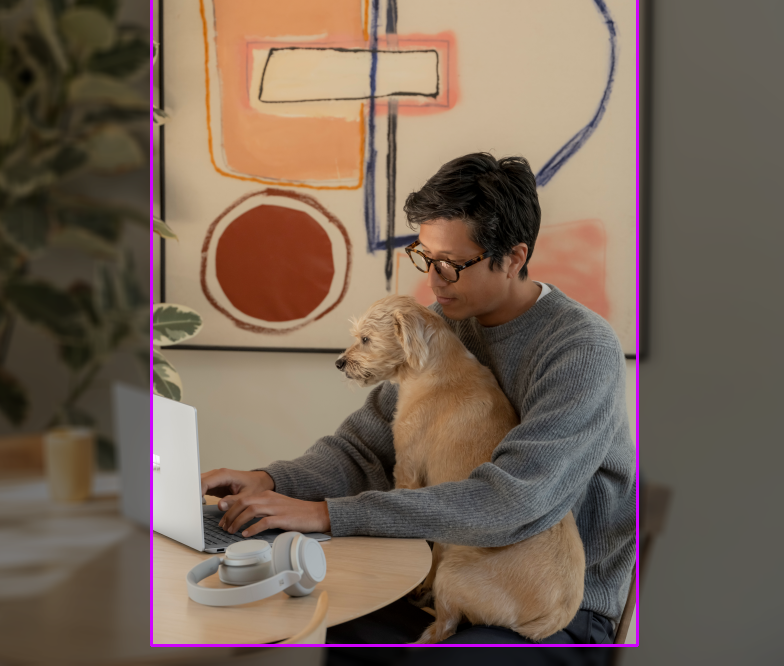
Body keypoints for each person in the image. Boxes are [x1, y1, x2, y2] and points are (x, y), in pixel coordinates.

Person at [200, 153, 636, 659]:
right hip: (441, 578)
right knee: (316, 617)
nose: (434, 278)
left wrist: (327, 514)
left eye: (452, 263)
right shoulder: (438, 325)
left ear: (514, 258)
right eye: (425, 256)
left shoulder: (581, 350)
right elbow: (364, 449)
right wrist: (274, 482)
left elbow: (515, 502)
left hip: (549, 607)